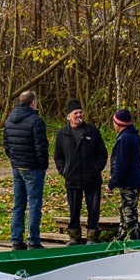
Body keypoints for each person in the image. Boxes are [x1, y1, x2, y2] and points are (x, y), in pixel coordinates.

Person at [52, 98, 108, 242]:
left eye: (80, 113)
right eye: (75, 113)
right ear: (68, 116)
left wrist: (96, 168)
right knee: (74, 210)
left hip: (92, 178)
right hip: (72, 178)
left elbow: (102, 153)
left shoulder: (92, 131)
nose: (79, 116)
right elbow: (58, 156)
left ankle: (92, 236)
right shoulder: (62, 134)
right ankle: (74, 237)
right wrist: (64, 171)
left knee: (94, 209)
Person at [2, 89, 49, 249]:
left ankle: (16, 238)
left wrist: (14, 159)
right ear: (33, 103)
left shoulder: (9, 120)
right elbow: (41, 146)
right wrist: (43, 165)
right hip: (32, 167)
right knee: (34, 204)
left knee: (19, 204)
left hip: (16, 166)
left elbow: (6, 145)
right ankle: (34, 239)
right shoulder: (36, 121)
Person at [107, 108, 140, 240]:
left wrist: (112, 183)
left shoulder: (124, 139)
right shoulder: (133, 135)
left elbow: (121, 164)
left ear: (118, 124)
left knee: (129, 211)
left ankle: (131, 238)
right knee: (124, 207)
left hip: (129, 180)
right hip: (133, 178)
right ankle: (122, 236)